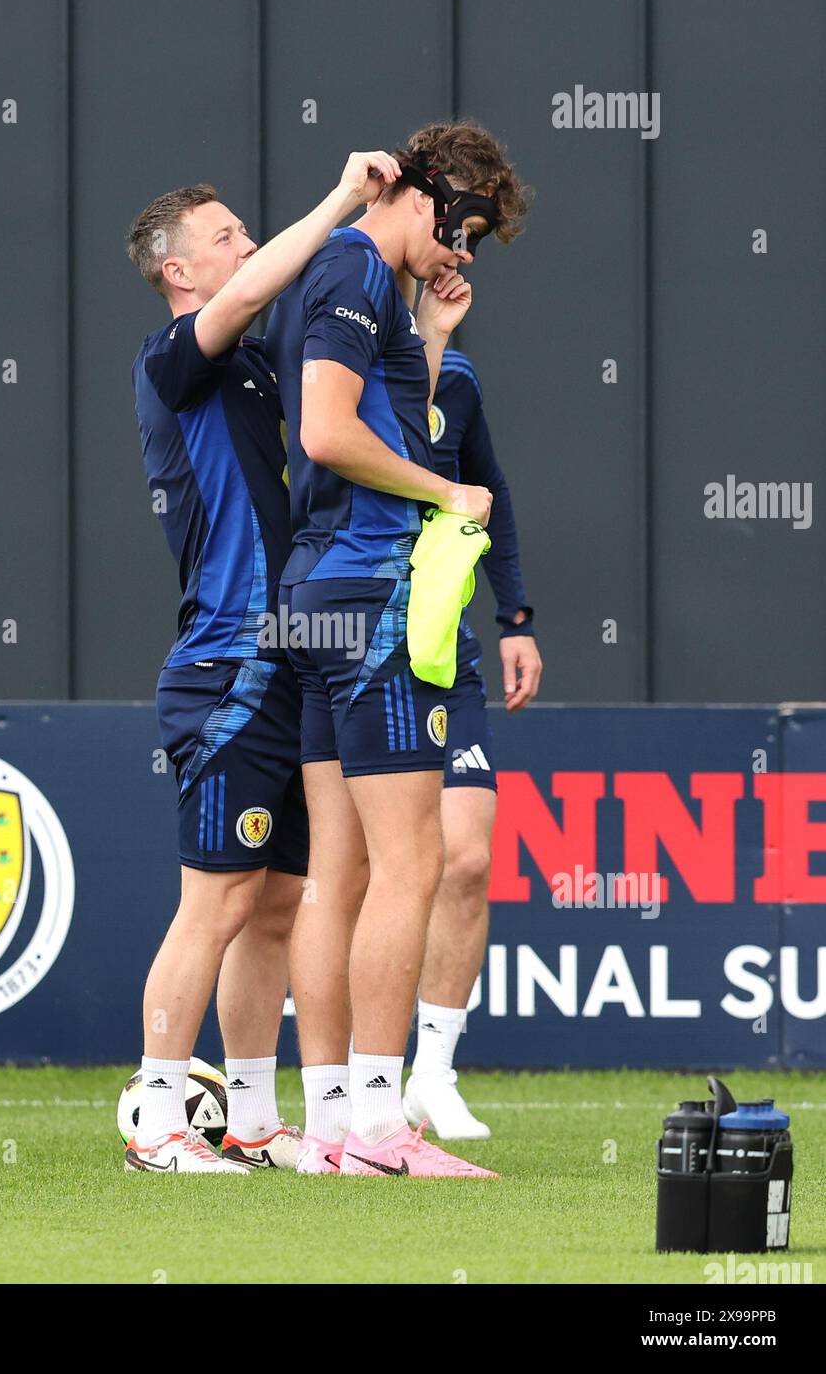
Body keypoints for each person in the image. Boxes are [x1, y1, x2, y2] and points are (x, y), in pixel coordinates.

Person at [125, 150, 401, 1174]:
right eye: (226, 235)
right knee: (218, 899)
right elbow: (261, 285)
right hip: (225, 661)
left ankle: (247, 1117)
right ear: (179, 272)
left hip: (283, 654)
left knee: (275, 902)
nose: (245, 247)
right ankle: (155, 1116)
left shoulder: (244, 357)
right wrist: (342, 202)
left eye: (246, 229)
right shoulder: (171, 357)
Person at [266, 120, 529, 1177]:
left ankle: (329, 1119)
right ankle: (378, 1124)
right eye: (459, 229)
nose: (461, 252)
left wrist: (423, 333)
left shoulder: (371, 285)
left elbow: (375, 421)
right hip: (370, 595)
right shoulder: (349, 268)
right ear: (423, 199)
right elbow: (327, 434)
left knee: (336, 871)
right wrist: (445, 492)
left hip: (316, 595)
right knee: (411, 862)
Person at [403, 346, 542, 1140]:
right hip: (349, 647)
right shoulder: (332, 367)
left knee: (466, 860)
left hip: (443, 655)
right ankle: (358, 1081)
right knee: (365, 869)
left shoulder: (455, 380)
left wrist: (514, 619)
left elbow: (494, 495)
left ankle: (433, 1073)